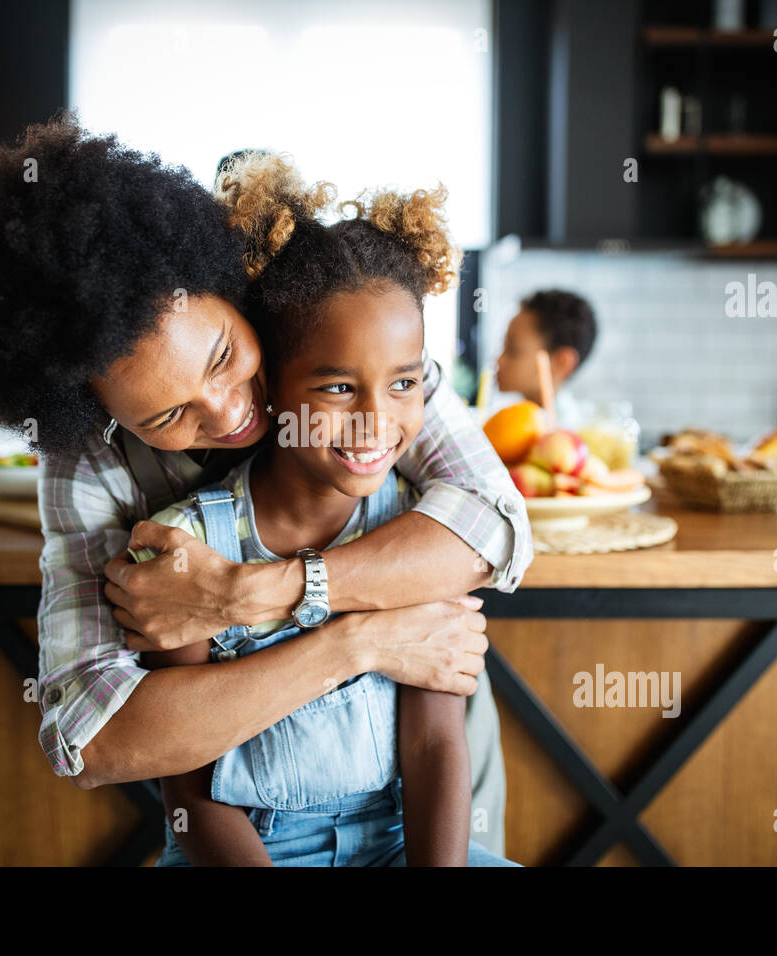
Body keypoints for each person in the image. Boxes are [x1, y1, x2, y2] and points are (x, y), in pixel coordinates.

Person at [0, 114, 532, 856]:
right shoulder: (92, 466)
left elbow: (495, 526)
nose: (229, 410)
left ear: (232, 291)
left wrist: (250, 595)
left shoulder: (343, 350)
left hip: (422, 806)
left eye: (221, 356)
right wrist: (362, 642)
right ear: (97, 414)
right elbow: (95, 735)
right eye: (170, 412)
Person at [135, 154, 514, 865]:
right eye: (339, 388)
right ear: (268, 387)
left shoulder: (417, 535)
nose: (376, 421)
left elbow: (436, 742)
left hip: (396, 844)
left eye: (404, 382)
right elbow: (189, 791)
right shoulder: (190, 548)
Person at [494, 289, 597, 424]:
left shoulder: (566, 435)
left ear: (561, 362)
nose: (498, 360)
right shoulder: (505, 421)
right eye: (504, 347)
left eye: (513, 350)